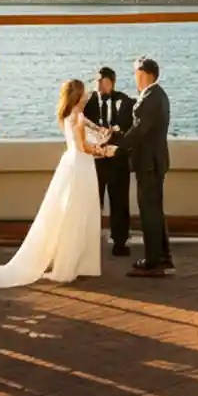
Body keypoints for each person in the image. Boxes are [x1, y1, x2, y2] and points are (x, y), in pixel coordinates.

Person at [0, 79, 106, 288]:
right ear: (78, 95)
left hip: (76, 165)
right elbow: (83, 146)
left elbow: (93, 131)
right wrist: (102, 151)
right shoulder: (76, 116)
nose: (87, 95)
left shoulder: (74, 115)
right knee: (76, 214)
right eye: (84, 92)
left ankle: (79, 263)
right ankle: (69, 266)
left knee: (78, 213)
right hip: (80, 166)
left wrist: (103, 133)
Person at [106, 56, 172, 278]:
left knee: (149, 212)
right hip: (156, 161)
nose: (135, 77)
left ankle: (153, 262)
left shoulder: (150, 98)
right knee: (156, 210)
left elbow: (139, 130)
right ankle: (163, 257)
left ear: (143, 74)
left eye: (136, 73)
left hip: (148, 164)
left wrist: (117, 145)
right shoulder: (158, 95)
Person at [84, 67, 134, 256]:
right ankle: (89, 242)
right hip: (95, 160)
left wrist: (114, 133)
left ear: (111, 82)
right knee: (93, 201)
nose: (98, 85)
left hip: (117, 160)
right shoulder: (87, 101)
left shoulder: (124, 101)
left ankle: (119, 242)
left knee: (119, 201)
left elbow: (129, 125)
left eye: (102, 81)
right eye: (96, 81)